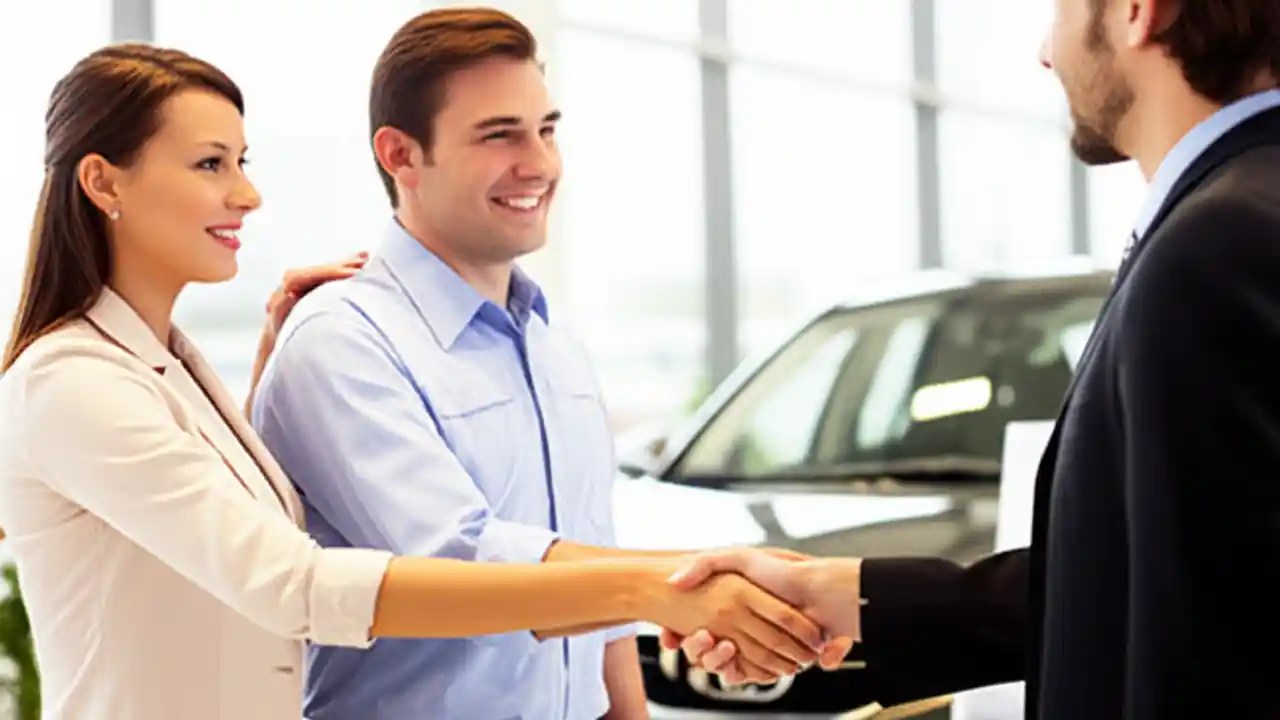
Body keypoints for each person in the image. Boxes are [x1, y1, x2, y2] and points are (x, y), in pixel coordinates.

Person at [0, 43, 827, 720]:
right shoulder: (72, 382)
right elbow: (296, 582)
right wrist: (660, 586)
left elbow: (209, 522)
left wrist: (263, 379)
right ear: (104, 182)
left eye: (242, 161)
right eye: (211, 164)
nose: (248, 194)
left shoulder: (168, 366)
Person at [665, 1, 1280, 718]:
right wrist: (852, 597)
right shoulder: (1234, 217)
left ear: (1138, 12)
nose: (1046, 54)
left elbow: (1220, 651)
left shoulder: (1216, 248)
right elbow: (1147, 580)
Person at [249, 9, 822, 718]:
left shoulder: (555, 345)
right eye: (500, 135)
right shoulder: (342, 343)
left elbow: (593, 573)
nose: (540, 163)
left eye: (546, 129)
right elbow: (460, 566)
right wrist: (683, 583)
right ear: (400, 155)